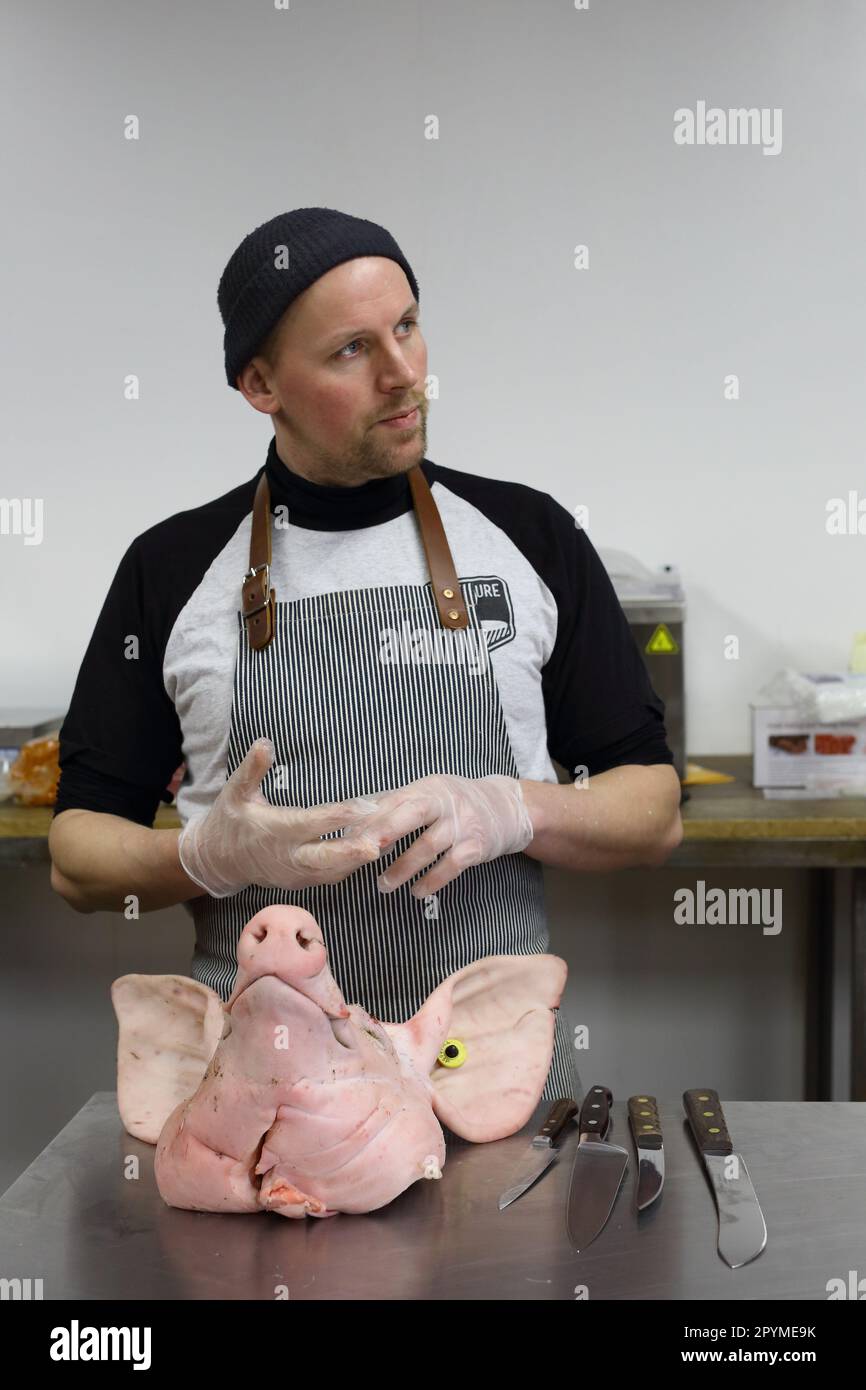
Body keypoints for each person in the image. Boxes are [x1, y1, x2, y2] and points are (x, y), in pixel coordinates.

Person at [49, 206, 683, 1110]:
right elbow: (78, 856)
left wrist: (510, 809)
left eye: (408, 328)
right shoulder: (172, 569)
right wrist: (207, 857)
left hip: (489, 1099)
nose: (405, 376)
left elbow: (652, 810)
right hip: (270, 1107)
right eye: (352, 350)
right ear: (260, 383)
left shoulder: (529, 536)